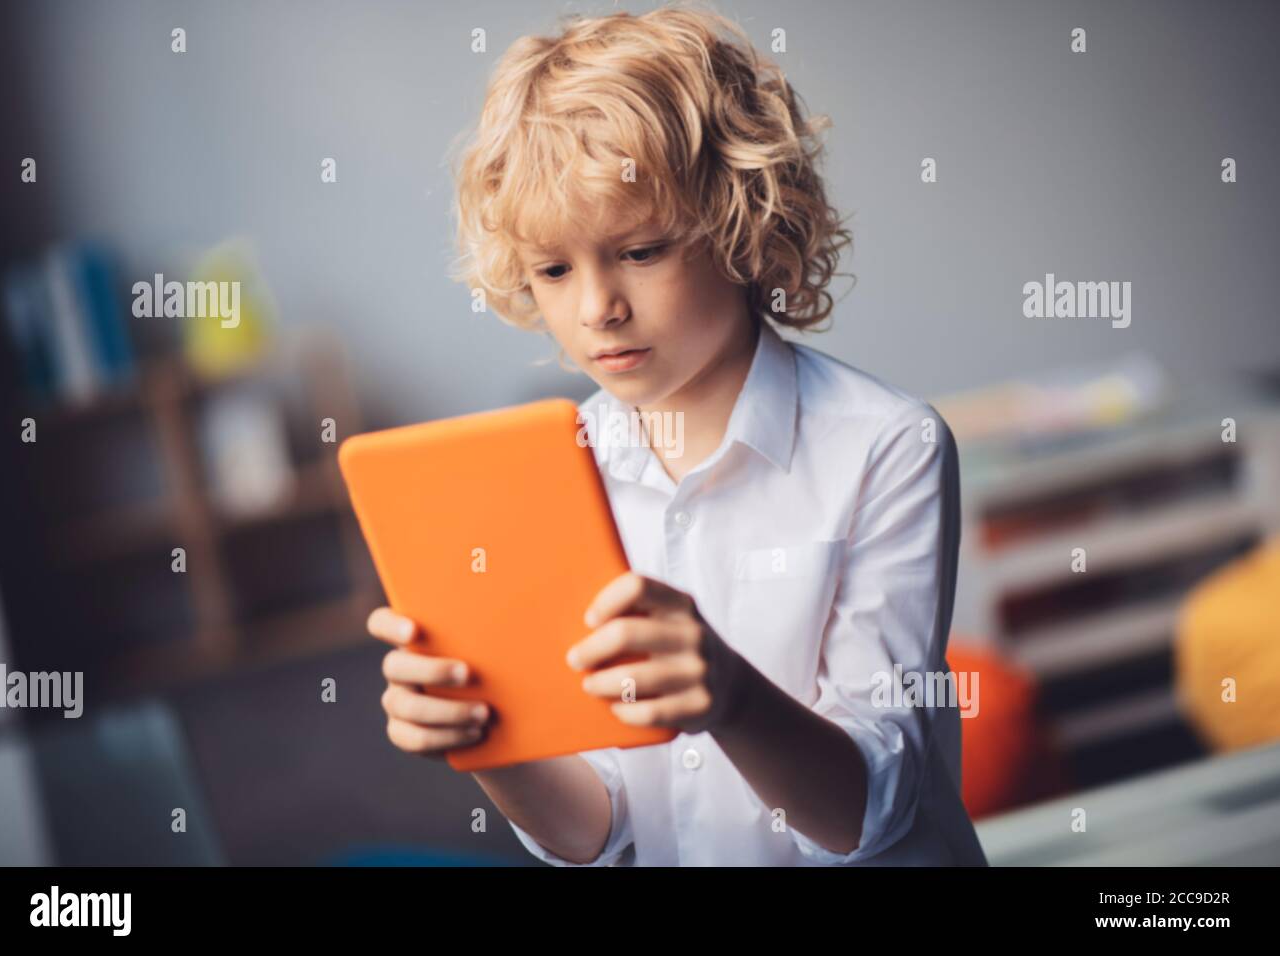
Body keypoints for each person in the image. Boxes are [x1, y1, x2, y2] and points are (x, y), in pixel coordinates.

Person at [367, 4, 988, 866]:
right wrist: (488, 741)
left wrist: (729, 695)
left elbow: (868, 812)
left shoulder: (888, 448)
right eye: (553, 269)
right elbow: (595, 827)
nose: (596, 309)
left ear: (744, 223)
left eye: (643, 250)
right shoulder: (552, 473)